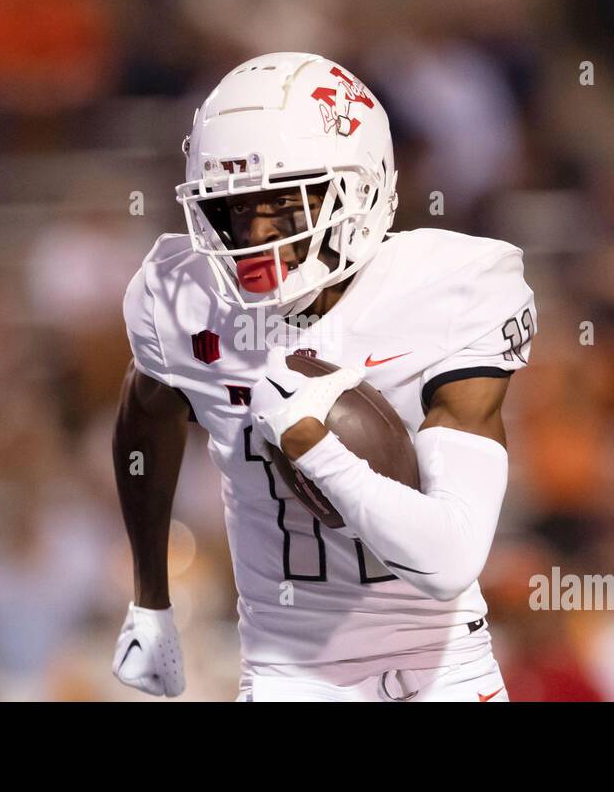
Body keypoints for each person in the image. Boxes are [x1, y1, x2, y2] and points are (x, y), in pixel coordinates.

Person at [112, 52, 536, 701]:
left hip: (442, 669)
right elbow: (147, 411)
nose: (254, 236)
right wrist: (150, 599)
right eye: (234, 207)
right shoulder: (183, 298)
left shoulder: (451, 289)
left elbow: (449, 560)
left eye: (280, 205)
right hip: (292, 675)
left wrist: (316, 448)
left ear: (362, 188)